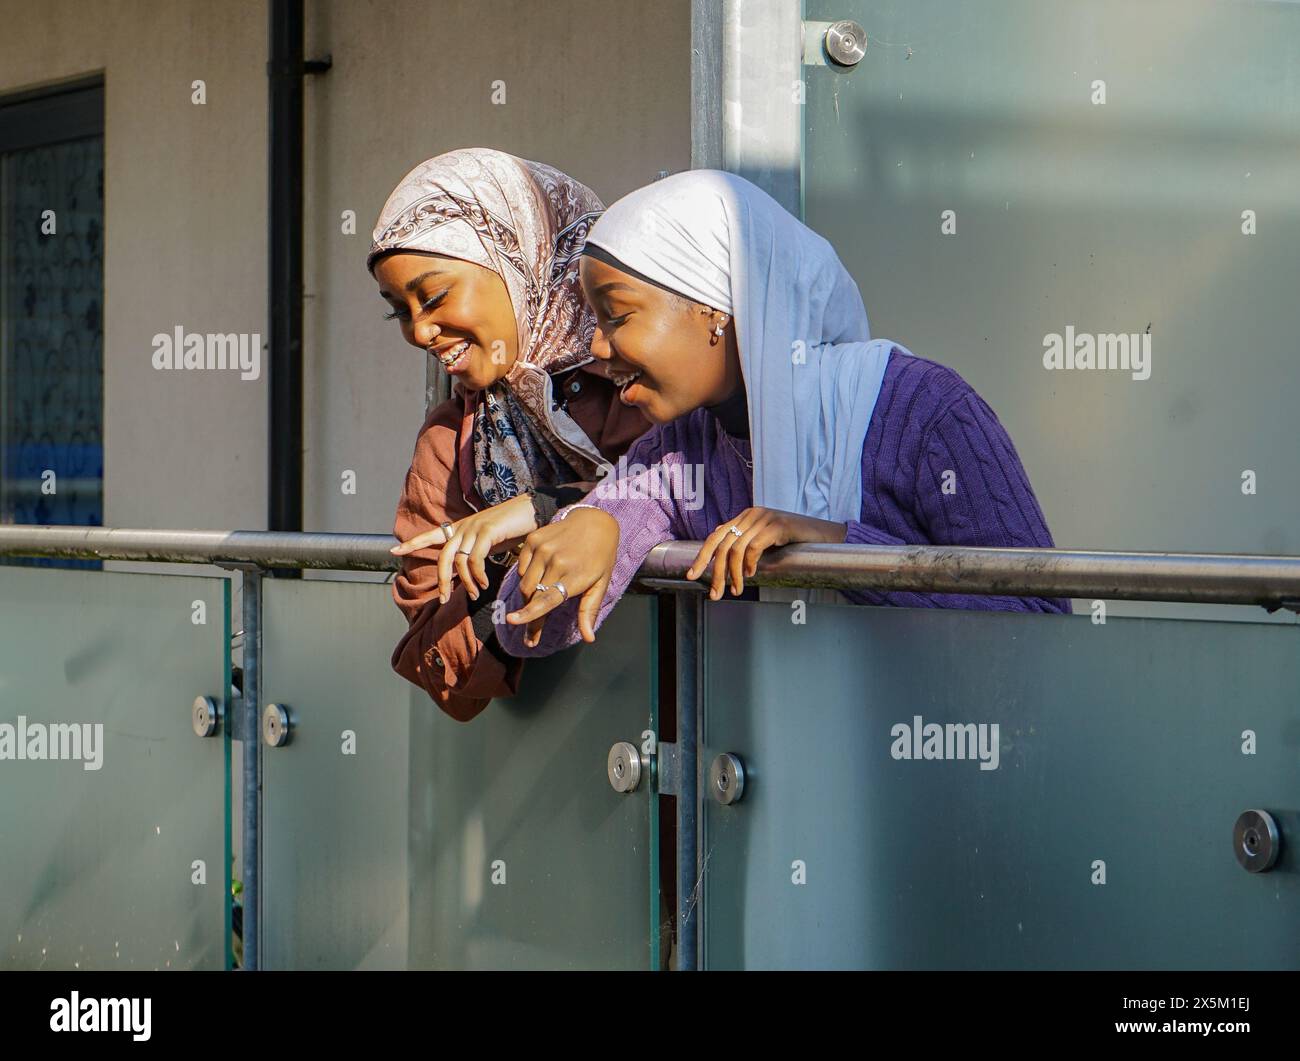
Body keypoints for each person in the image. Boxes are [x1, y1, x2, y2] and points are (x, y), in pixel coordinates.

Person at [485, 169, 1070, 653]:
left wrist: (834, 548)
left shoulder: (924, 411)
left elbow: (1038, 622)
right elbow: (524, 631)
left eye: (616, 314)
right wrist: (593, 524)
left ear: (715, 308)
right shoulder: (678, 453)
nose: (597, 348)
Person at [369, 148, 649, 720]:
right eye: (398, 310)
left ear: (522, 259)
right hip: (558, 770)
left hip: (704, 751)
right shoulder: (452, 441)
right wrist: (513, 583)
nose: (420, 331)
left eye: (435, 296)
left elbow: (709, 498)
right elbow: (439, 668)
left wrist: (546, 511)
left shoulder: (647, 386)